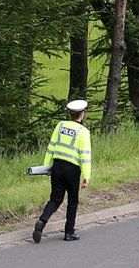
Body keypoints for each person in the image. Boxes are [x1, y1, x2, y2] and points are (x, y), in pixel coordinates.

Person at [32, 99, 92, 243]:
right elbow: (85, 155)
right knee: (72, 201)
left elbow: (51, 147)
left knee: (55, 199)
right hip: (72, 169)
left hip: (57, 167)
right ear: (82, 114)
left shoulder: (60, 125)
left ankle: (42, 221)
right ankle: (69, 232)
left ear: (71, 114)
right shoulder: (83, 131)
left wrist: (47, 167)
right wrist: (87, 176)